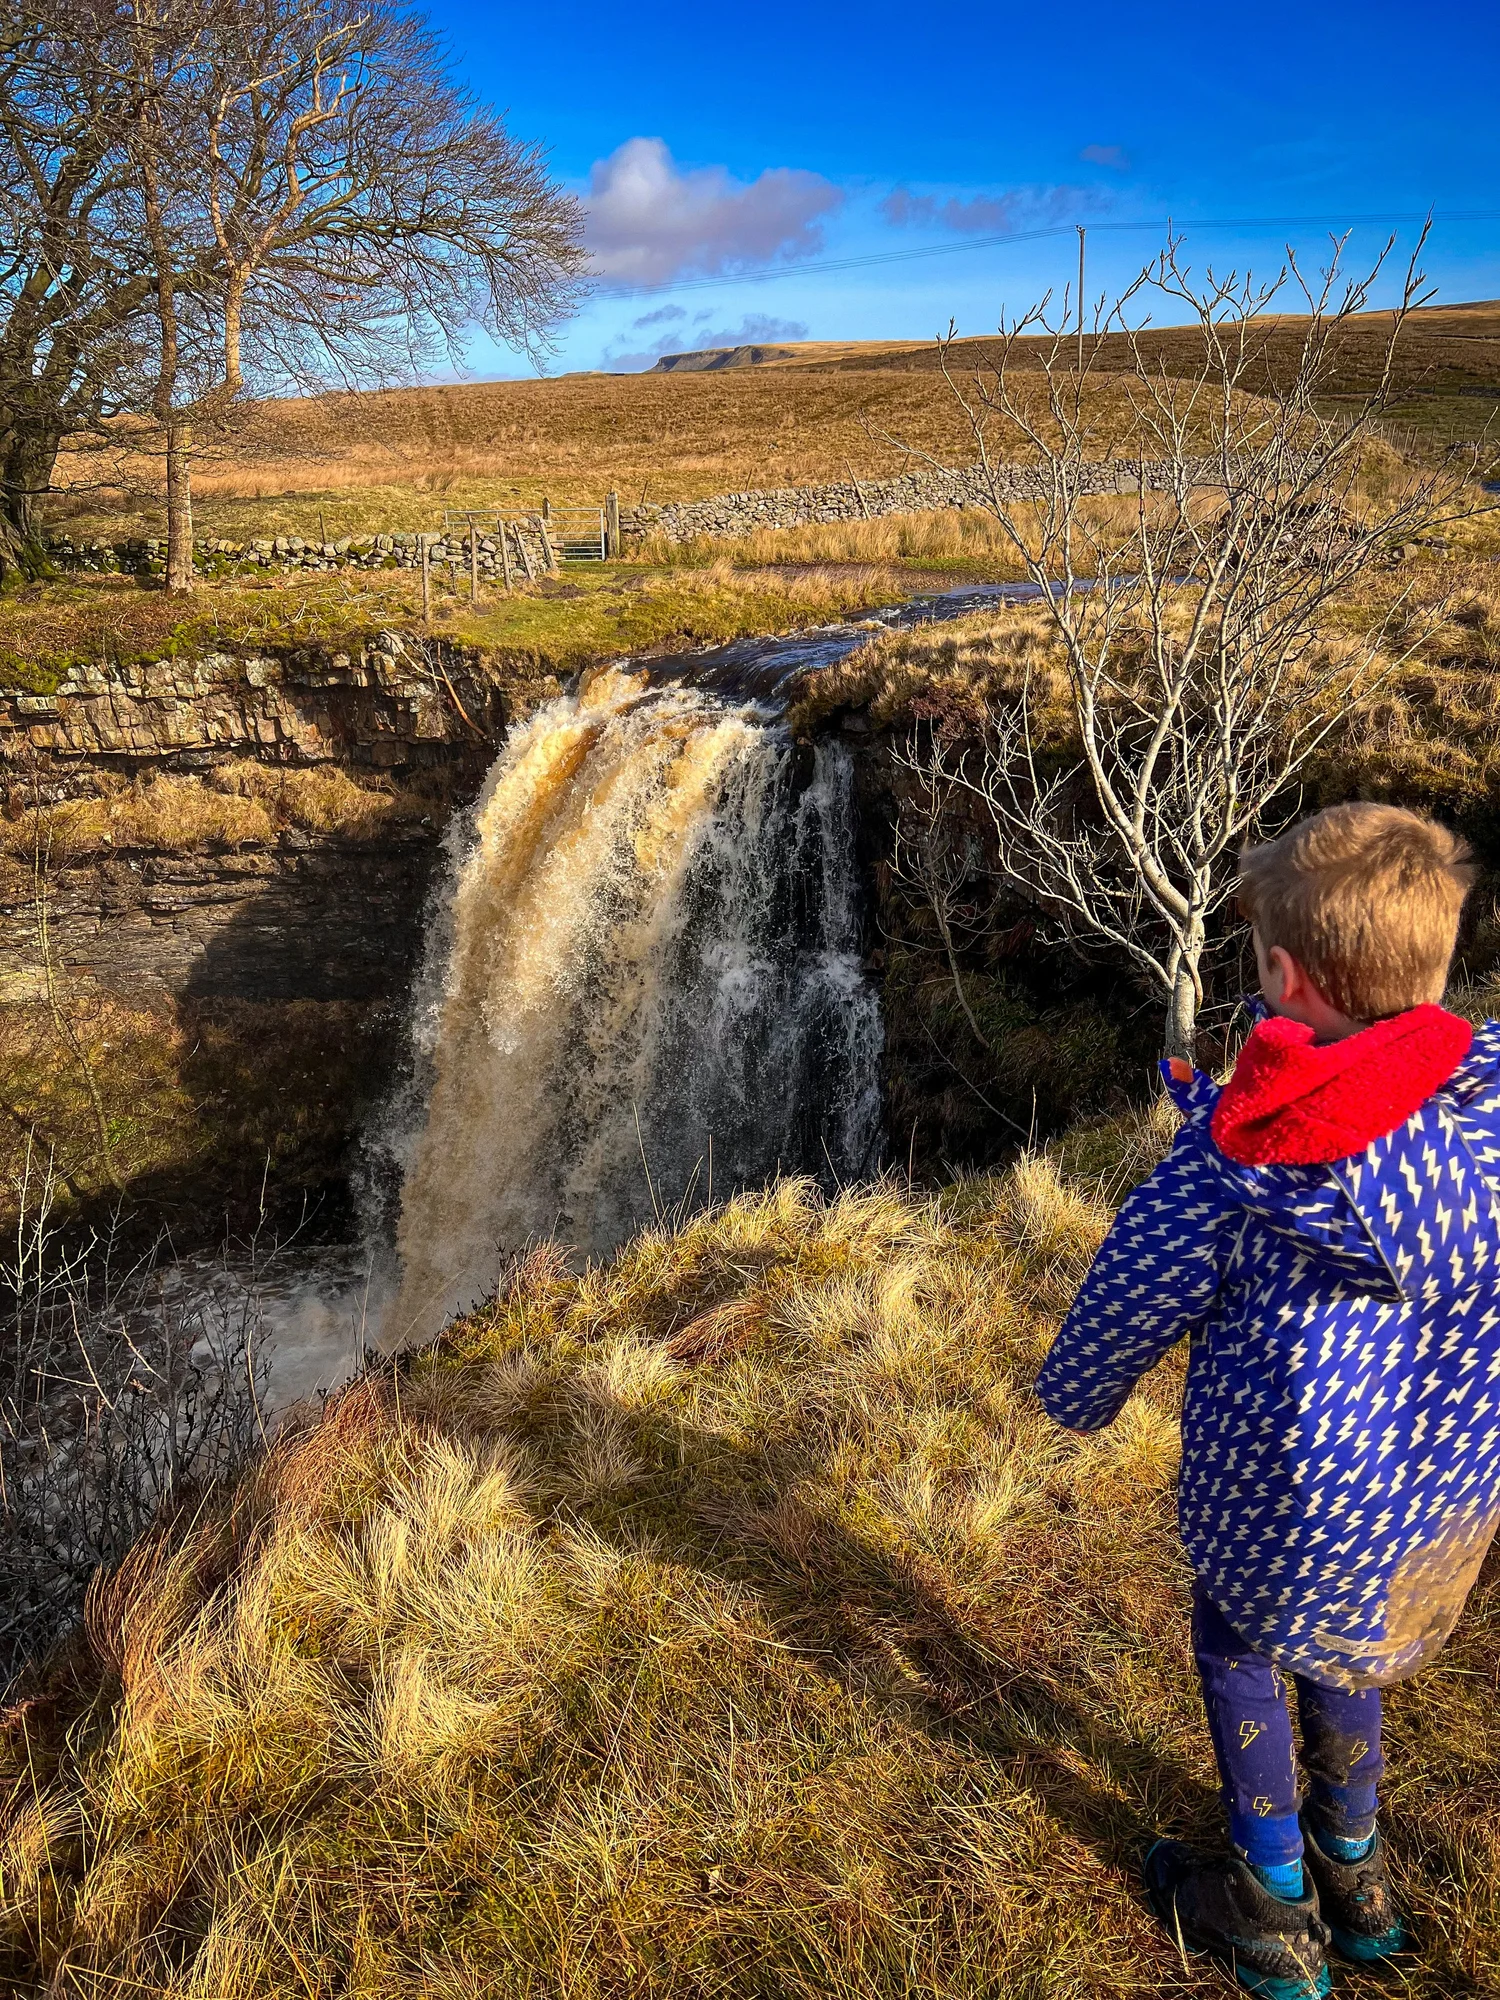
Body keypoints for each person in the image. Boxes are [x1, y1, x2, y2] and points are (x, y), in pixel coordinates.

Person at [1035, 802, 1500, 2000]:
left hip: (1273, 1498)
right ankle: (1361, 1875)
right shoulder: (1489, 1114)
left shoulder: (1235, 1167)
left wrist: (1073, 1392)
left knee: (1242, 1647)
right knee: (1348, 1641)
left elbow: (1134, 1286)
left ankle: (1268, 1900)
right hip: (1427, 1503)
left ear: (1283, 974)